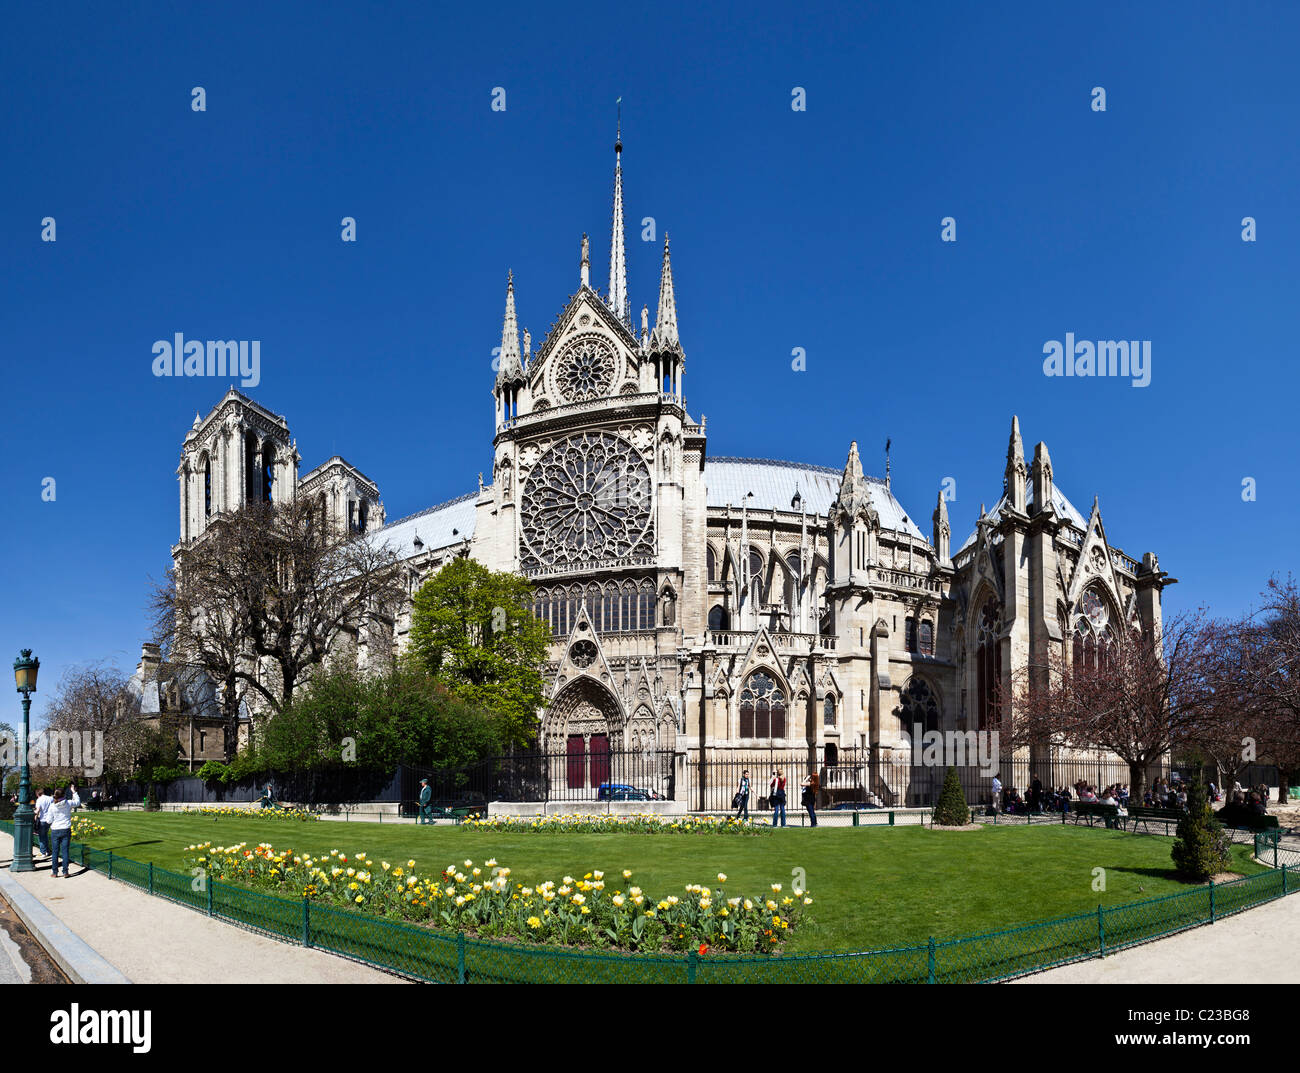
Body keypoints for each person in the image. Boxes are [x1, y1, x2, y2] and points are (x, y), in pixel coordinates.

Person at [47, 785, 80, 878]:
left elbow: (48, 820)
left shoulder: (52, 806)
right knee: (65, 851)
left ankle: (54, 872)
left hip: (55, 830)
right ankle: (65, 872)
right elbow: (77, 802)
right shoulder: (68, 803)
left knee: (55, 852)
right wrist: (74, 792)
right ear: (64, 795)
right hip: (66, 829)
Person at [33, 786, 53, 858]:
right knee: (45, 835)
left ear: (37, 794)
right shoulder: (50, 798)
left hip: (42, 819)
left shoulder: (39, 800)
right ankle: (47, 851)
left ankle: (43, 852)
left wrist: (34, 817)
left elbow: (37, 810)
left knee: (41, 836)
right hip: (50, 819)